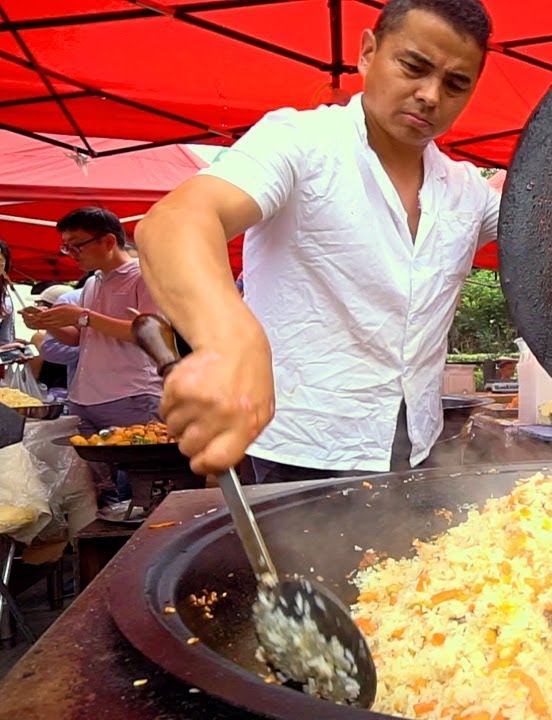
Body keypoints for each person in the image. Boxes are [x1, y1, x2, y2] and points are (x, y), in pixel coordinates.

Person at [135, 0, 498, 481]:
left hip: (415, 443)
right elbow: (175, 221)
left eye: (456, 84)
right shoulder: (299, 141)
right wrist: (230, 341)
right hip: (302, 448)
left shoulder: (467, 190)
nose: (430, 95)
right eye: (414, 66)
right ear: (368, 52)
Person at [23, 208, 163, 500]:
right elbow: (80, 340)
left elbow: (149, 332)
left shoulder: (144, 275)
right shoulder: (92, 281)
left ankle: (138, 540)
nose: (71, 253)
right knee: (99, 488)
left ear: (108, 241)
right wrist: (49, 324)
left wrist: (84, 316)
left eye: (77, 244)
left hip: (131, 394)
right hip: (85, 398)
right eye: (66, 246)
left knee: (139, 483)